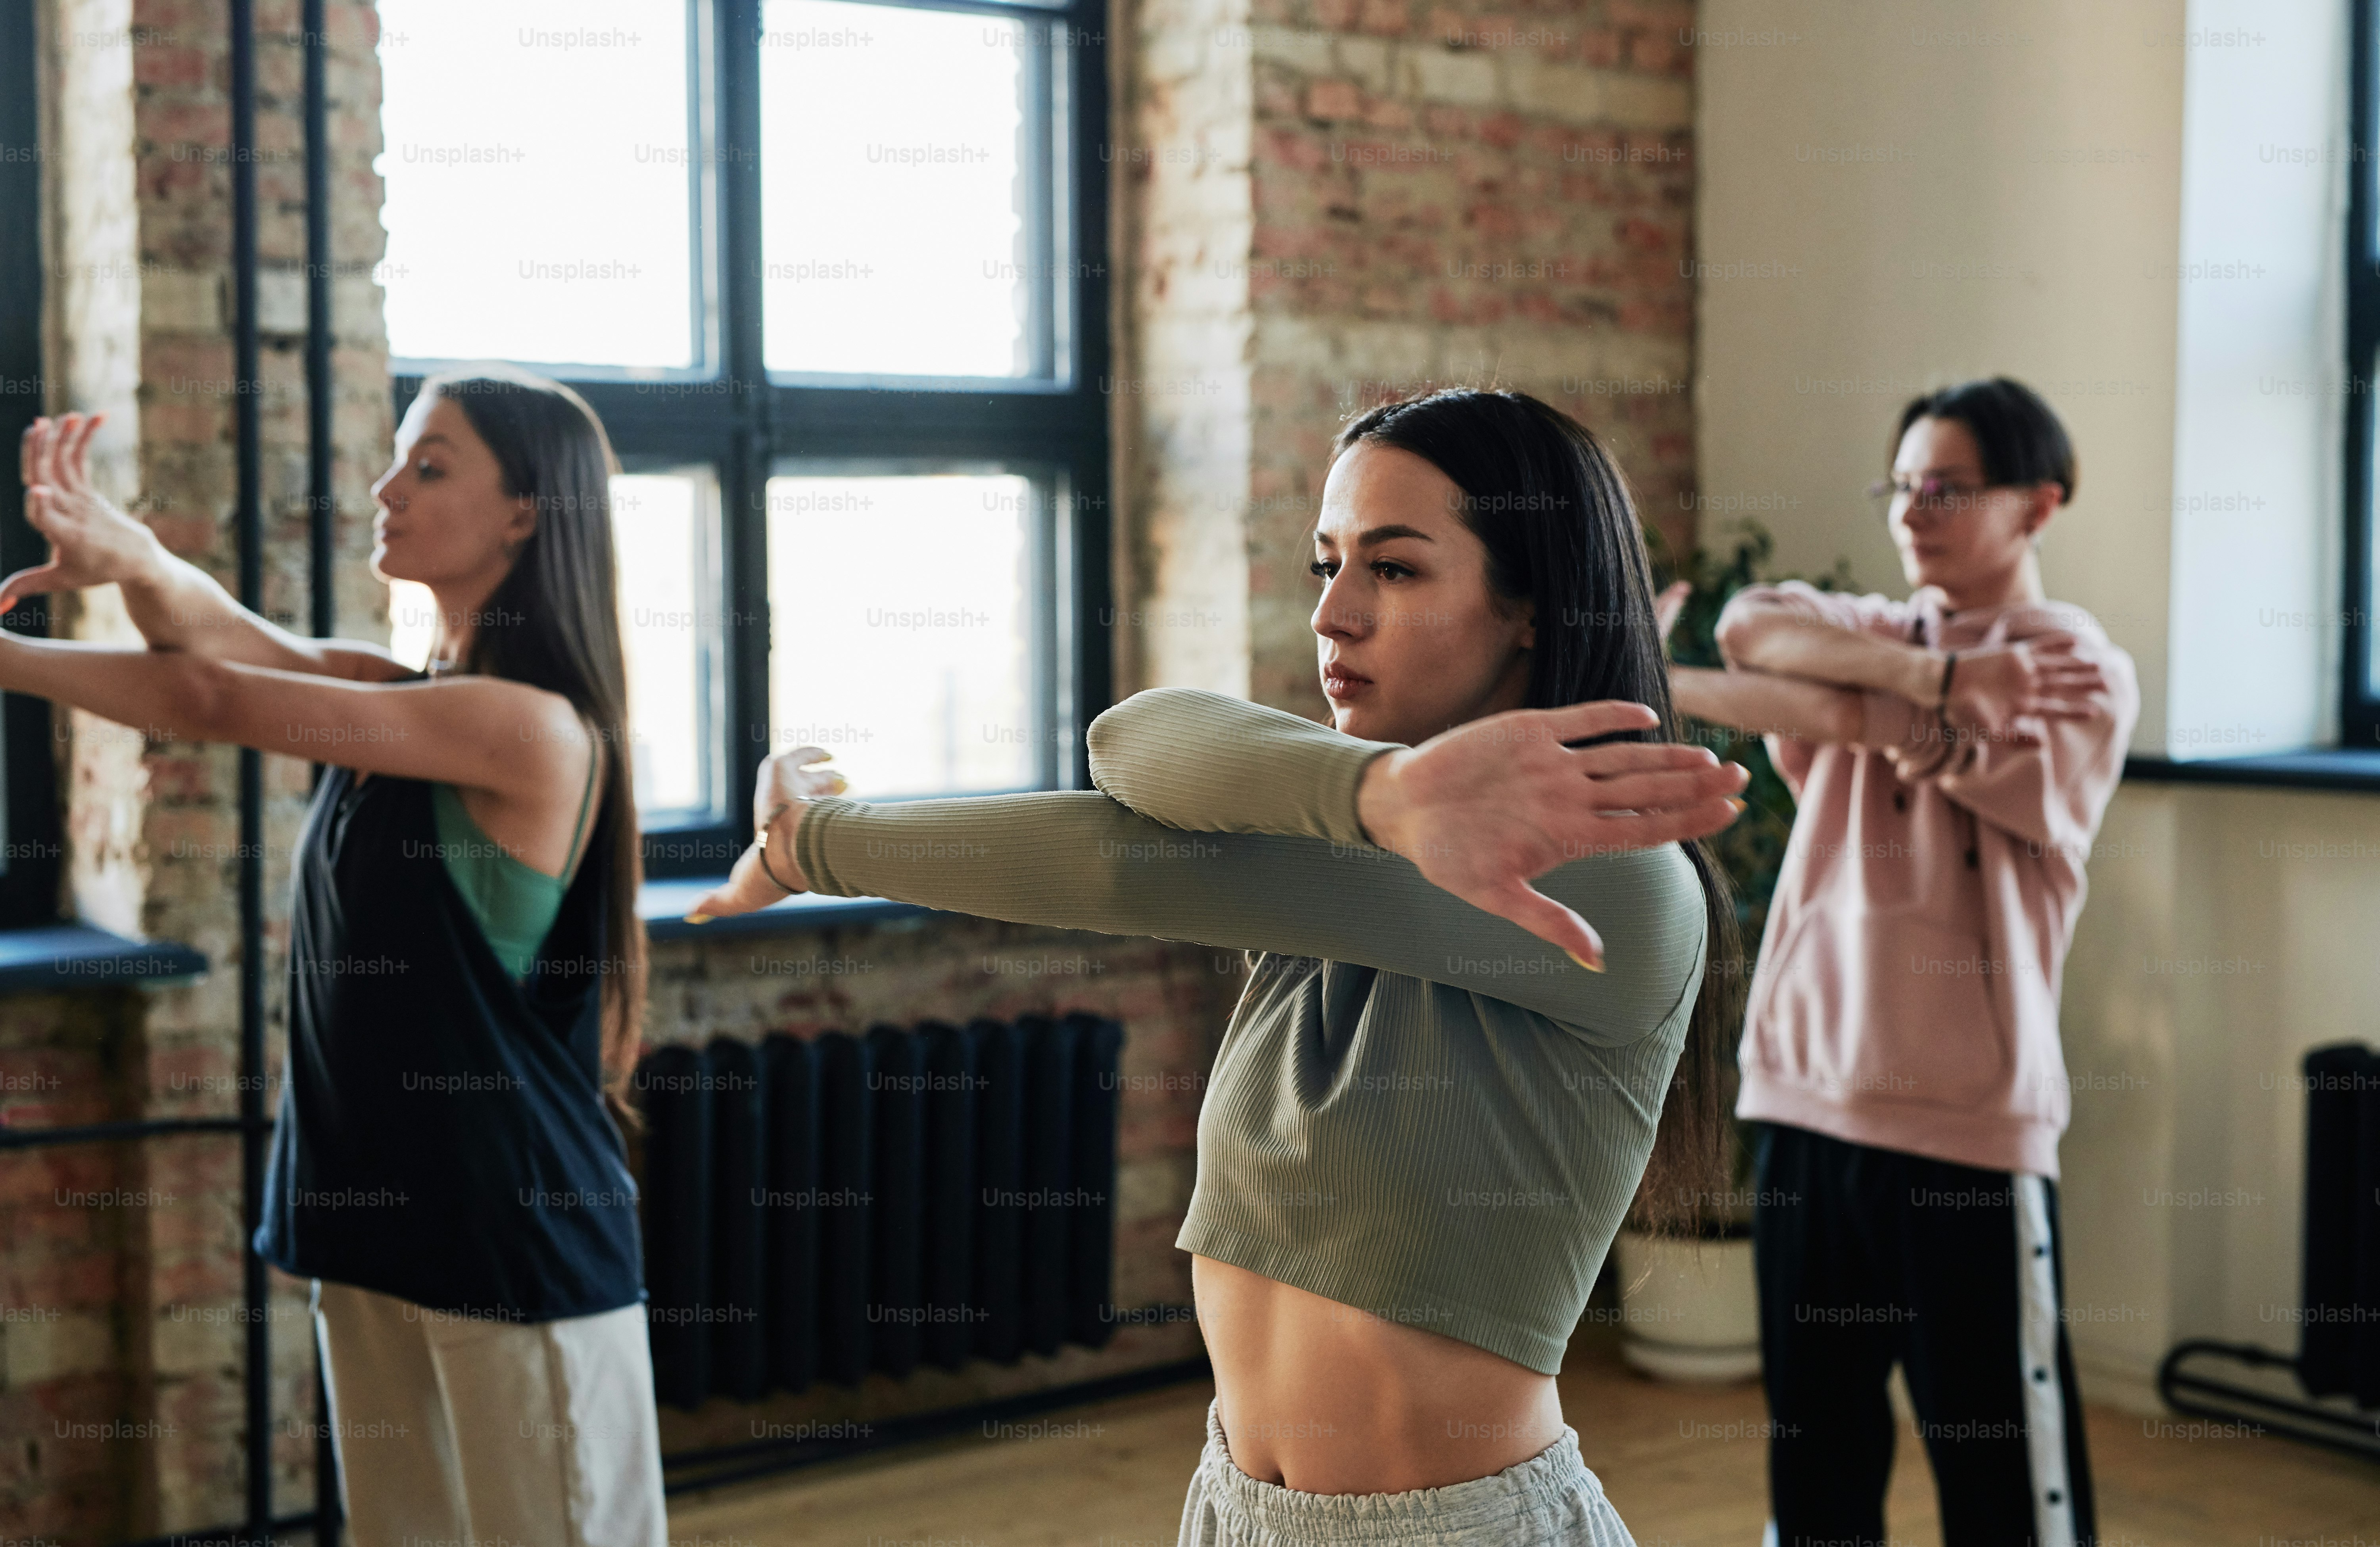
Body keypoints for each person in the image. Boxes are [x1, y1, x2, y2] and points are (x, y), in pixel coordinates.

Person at [692, 389, 1752, 1545]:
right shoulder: (1351, 842)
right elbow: (1134, 744)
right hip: (1236, 1508)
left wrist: (813, 844)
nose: (1336, 615)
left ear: (1532, 605)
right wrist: (1380, 792)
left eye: (1394, 570)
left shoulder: (1616, 875)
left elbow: (1122, 866)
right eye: (1326, 566)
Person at [10, 369, 666, 1547]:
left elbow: (210, 692)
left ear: (526, 511)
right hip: (375, 1226)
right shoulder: (400, 695)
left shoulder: (527, 726)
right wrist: (137, 561)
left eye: (431, 466)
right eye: (397, 457)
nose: (385, 487)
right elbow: (223, 644)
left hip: (513, 1245)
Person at [1658, 377, 2138, 1547]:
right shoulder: (1888, 637)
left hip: (1963, 1133)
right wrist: (1928, 682)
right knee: (1817, 1470)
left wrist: (1854, 702)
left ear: (2040, 504)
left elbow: (1929, 733)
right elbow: (1748, 626)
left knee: (2005, 1489)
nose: (1914, 511)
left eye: (1949, 488)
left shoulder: (2077, 669)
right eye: (1903, 486)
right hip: (1807, 1106)